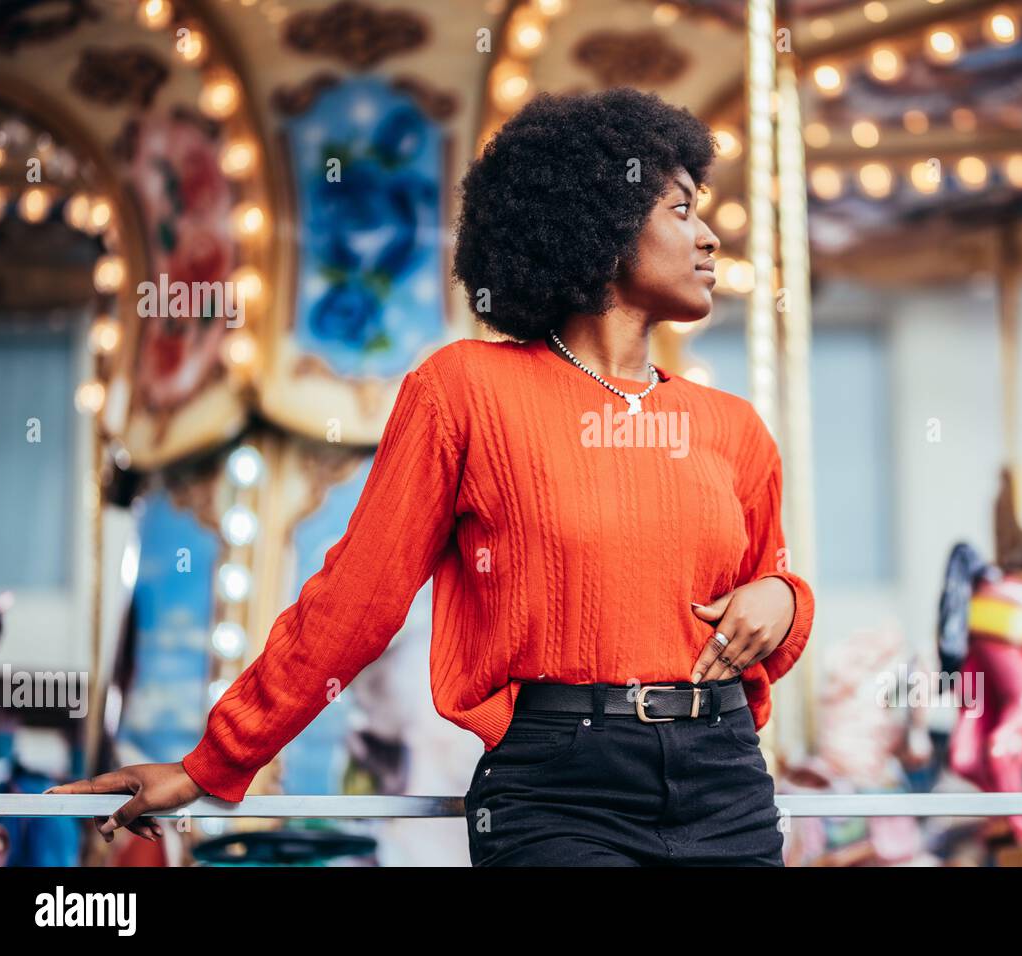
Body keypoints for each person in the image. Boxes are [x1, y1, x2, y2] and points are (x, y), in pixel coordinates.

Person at [47, 87, 816, 866]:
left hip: (724, 778)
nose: (712, 238)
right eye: (682, 210)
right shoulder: (463, 393)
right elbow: (355, 600)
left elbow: (774, 585)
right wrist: (213, 761)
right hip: (561, 792)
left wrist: (784, 601)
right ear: (603, 225)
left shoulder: (734, 428)